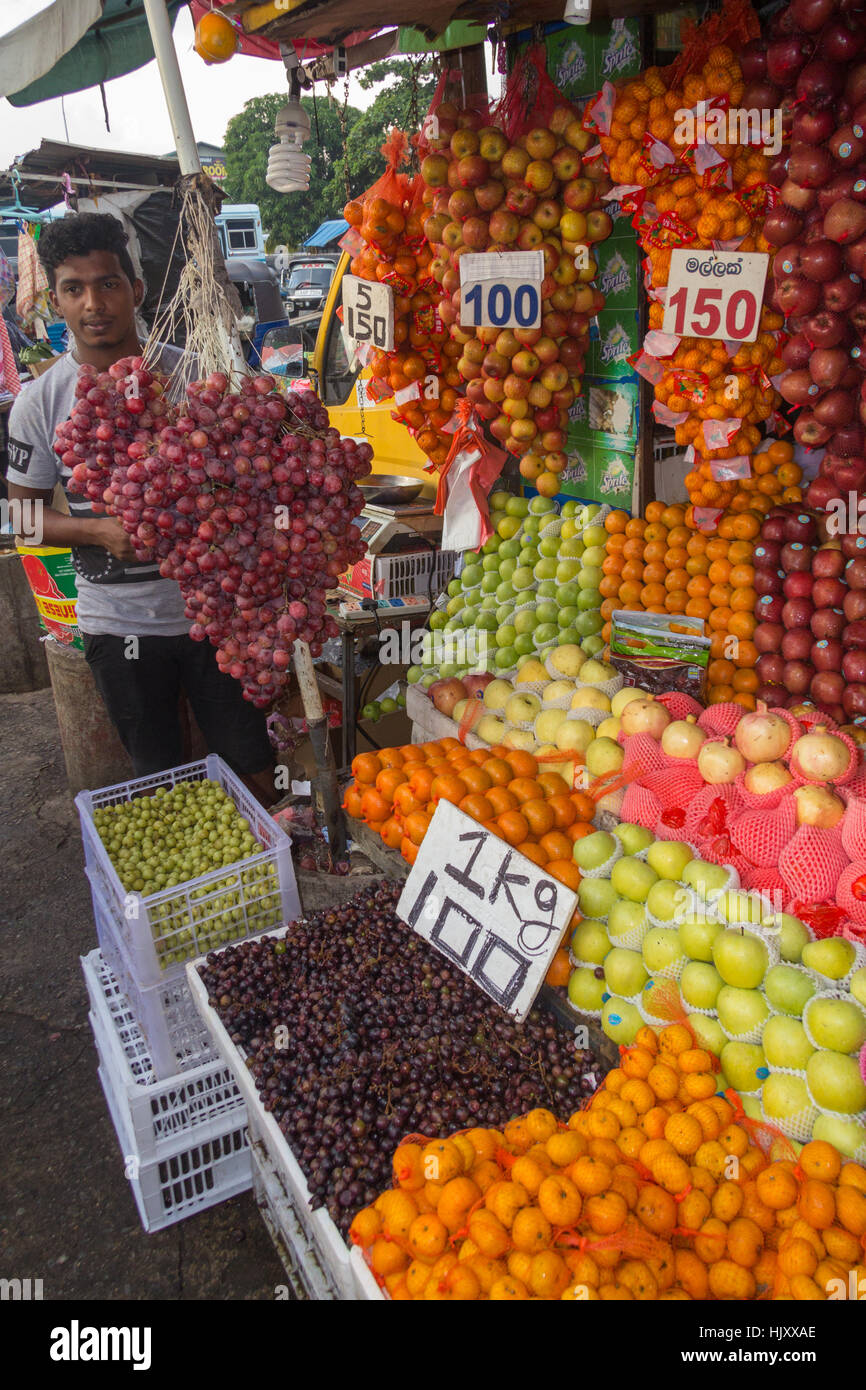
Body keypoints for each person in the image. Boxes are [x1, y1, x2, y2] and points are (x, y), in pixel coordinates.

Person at [6, 212, 275, 799]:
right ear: (56, 301)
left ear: (137, 289)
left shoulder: (196, 378)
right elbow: (22, 521)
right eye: (74, 289)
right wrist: (98, 532)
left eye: (107, 284)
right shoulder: (39, 402)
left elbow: (256, 485)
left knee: (252, 761)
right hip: (119, 623)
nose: (93, 303)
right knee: (157, 774)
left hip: (220, 614)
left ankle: (268, 843)